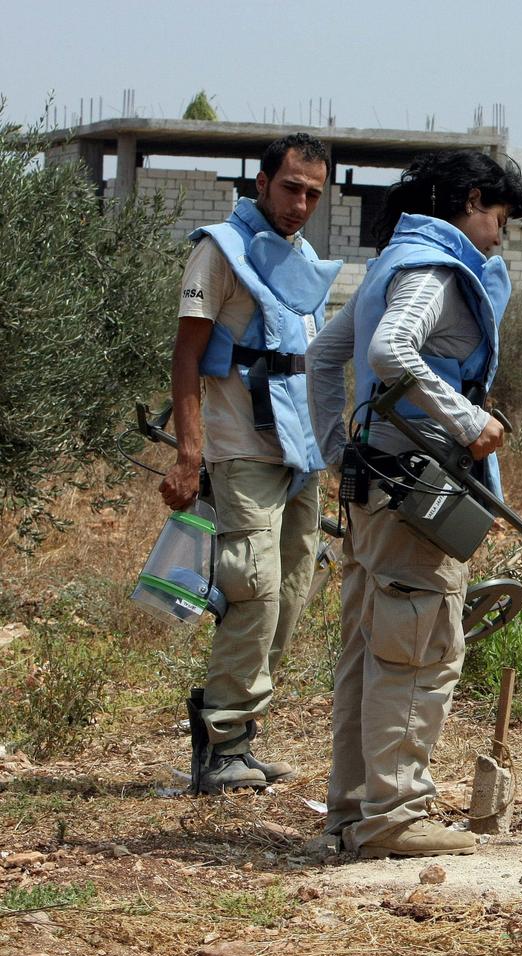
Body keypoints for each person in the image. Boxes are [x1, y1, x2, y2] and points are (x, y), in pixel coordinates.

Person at [307, 151, 522, 858]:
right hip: (415, 489)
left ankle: (352, 813)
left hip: (377, 487)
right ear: (472, 201)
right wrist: (468, 423)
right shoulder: (435, 269)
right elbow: (390, 350)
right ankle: (397, 815)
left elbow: (323, 359)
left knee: (368, 651)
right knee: (418, 646)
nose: (498, 238)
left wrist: (338, 450)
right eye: (499, 220)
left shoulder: (388, 264)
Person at [160, 133, 340, 794]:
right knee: (253, 593)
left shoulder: (303, 258)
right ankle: (223, 745)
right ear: (261, 182)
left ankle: (233, 733)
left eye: (313, 194)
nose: (300, 203)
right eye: (291, 187)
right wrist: (189, 453)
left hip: (300, 457)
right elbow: (187, 355)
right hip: (240, 453)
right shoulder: (220, 251)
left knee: (289, 600)